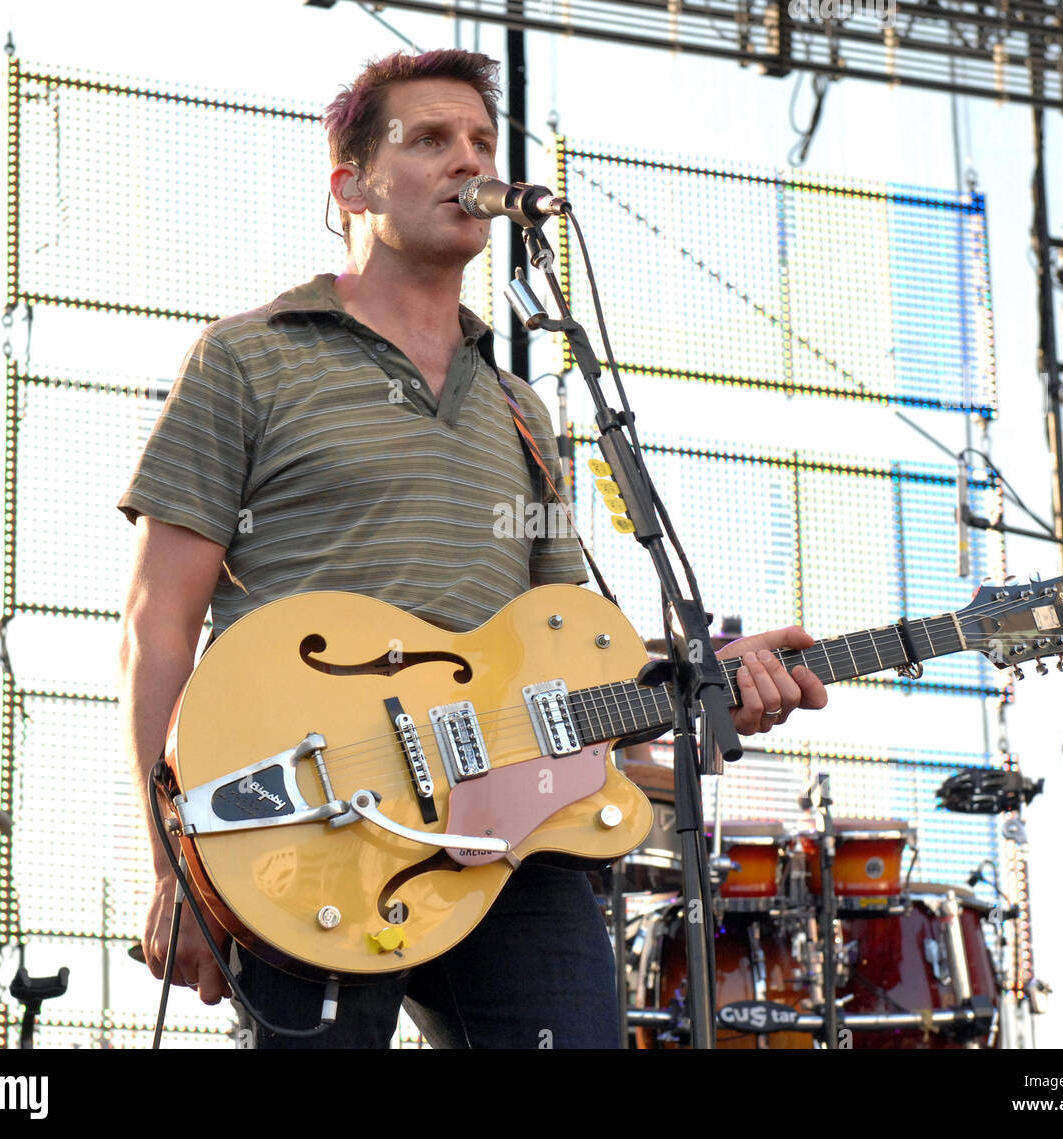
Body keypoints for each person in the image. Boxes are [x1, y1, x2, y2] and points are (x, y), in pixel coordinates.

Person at [117, 48, 827, 1049]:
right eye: (431, 139)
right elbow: (157, 623)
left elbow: (572, 660)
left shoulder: (524, 411)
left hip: (517, 843)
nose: (469, 159)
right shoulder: (249, 355)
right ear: (350, 184)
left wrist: (712, 690)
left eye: (483, 141)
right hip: (307, 822)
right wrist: (175, 859)